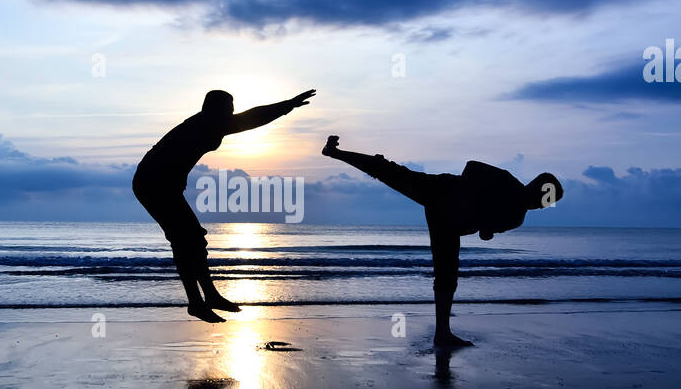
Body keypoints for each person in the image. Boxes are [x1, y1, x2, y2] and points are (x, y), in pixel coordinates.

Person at [321, 136, 563, 347]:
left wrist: (484, 220)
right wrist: (474, 202)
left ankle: (442, 333)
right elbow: (471, 167)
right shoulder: (506, 182)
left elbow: (485, 233)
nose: (542, 205)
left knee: (447, 276)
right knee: (390, 171)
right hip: (440, 191)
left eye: (546, 204)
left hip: (448, 224)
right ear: (535, 187)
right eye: (545, 198)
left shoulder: (516, 217)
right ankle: (335, 152)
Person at [134, 88, 316, 322]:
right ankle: (198, 302)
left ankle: (207, 297)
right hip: (153, 183)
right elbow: (252, 118)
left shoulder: (211, 122)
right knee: (185, 239)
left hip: (162, 184)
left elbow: (250, 118)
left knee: (193, 239)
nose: (232, 111)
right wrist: (286, 106)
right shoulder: (206, 123)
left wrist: (285, 106)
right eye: (229, 106)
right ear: (215, 108)